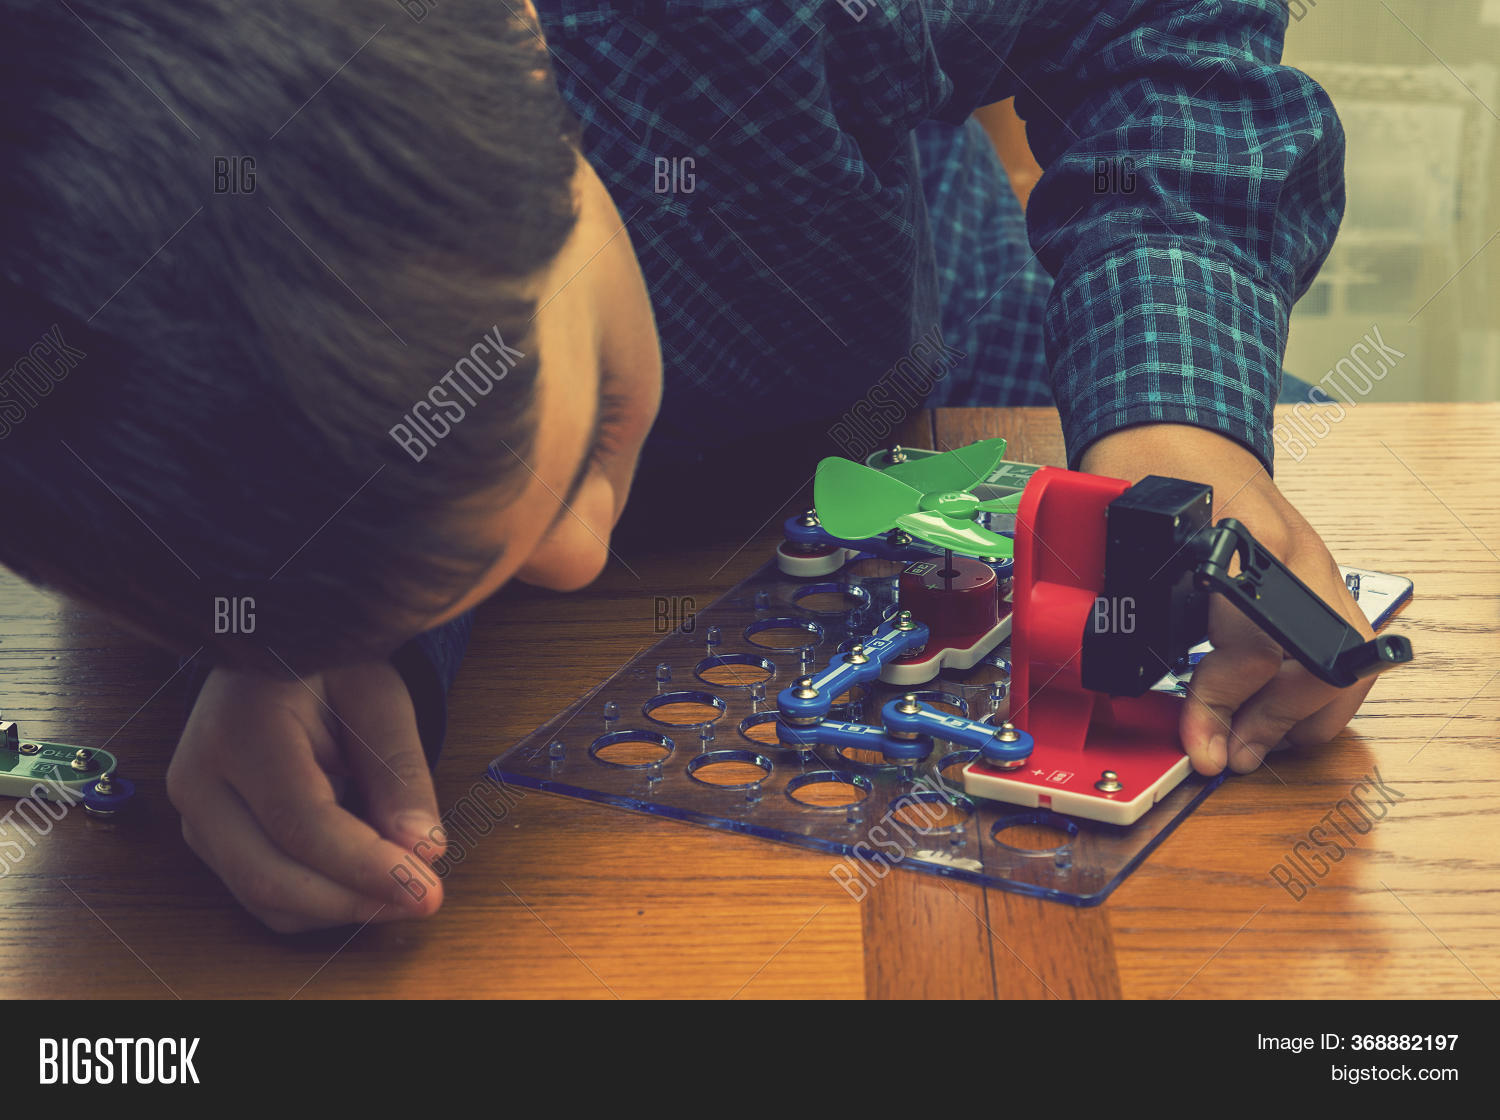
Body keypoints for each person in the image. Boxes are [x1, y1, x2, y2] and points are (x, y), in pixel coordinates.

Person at [0, 0, 1371, 931]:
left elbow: (1158, 27)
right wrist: (306, 637)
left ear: (530, 59)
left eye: (587, 427)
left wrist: (1174, 422)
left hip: (935, 360)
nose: (584, 560)